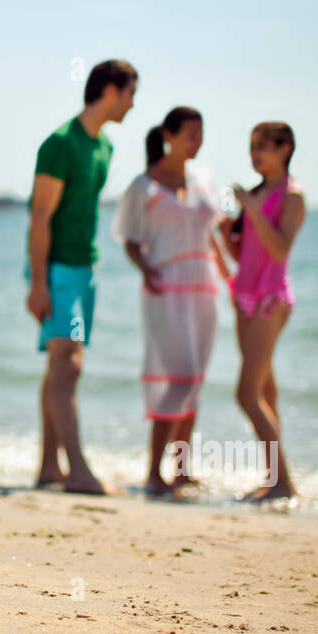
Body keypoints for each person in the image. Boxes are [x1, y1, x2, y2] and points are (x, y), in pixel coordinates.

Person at [26, 59, 138, 493]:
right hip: (56, 270)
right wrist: (37, 284)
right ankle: (77, 470)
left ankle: (49, 468)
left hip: (85, 268)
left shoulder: (104, 147)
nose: (132, 104)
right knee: (67, 365)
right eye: (130, 93)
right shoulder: (59, 143)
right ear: (110, 90)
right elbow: (39, 216)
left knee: (62, 368)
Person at [113, 107, 227, 498]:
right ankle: (152, 474)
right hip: (165, 289)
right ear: (169, 135)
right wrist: (145, 270)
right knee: (177, 376)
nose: (198, 140)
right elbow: (128, 237)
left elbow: (211, 230)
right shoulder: (143, 186)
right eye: (191, 133)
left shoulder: (203, 178)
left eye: (201, 132)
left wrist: (228, 274)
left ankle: (180, 472)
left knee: (194, 379)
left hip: (204, 288)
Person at [217, 122, 305, 503]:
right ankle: (274, 480)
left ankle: (284, 481)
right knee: (266, 391)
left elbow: (280, 250)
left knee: (246, 393)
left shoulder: (292, 195)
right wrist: (226, 236)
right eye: (252, 147)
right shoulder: (256, 193)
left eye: (263, 147)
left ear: (285, 149)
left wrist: (251, 209)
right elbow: (246, 256)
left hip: (271, 299)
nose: (255, 154)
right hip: (245, 297)